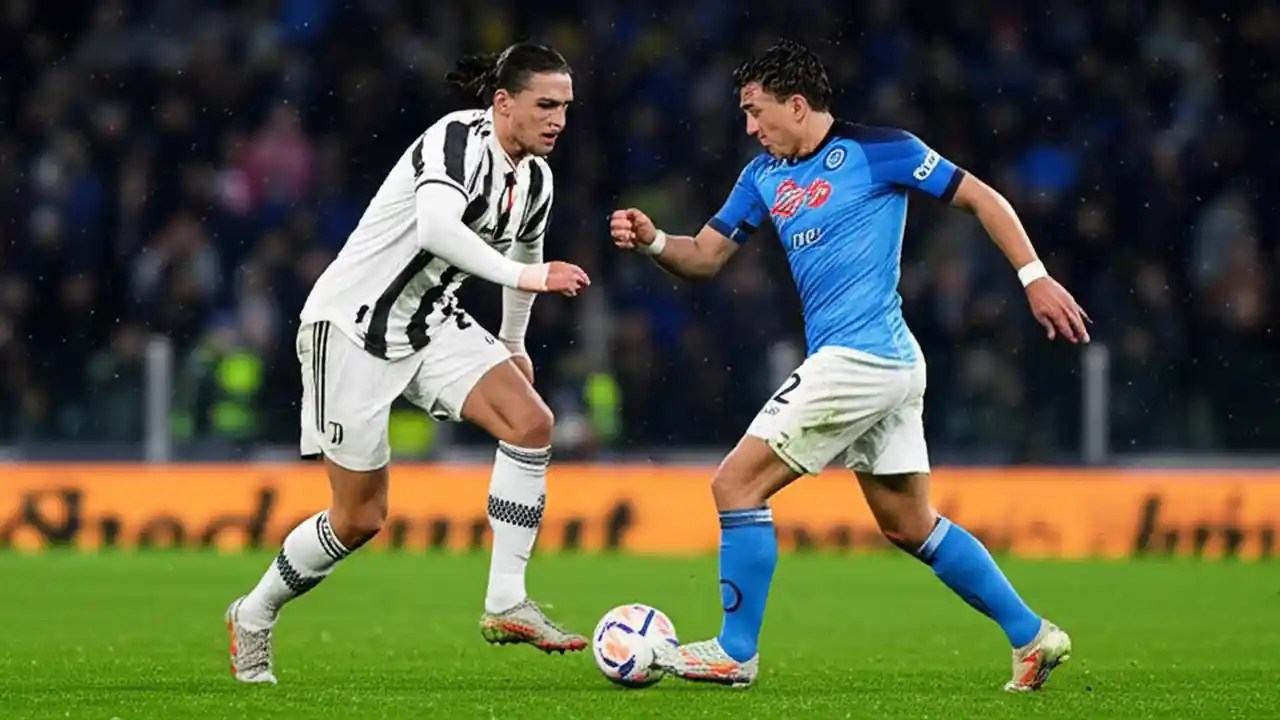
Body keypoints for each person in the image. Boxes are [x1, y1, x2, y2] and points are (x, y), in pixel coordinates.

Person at [608, 39, 1089, 691]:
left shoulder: (880, 151)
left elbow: (983, 198)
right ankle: (1033, 636)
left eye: (756, 112)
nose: (749, 128)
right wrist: (655, 239)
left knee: (734, 485)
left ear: (797, 104)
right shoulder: (762, 177)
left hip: (861, 357)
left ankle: (735, 651)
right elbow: (704, 256)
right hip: (883, 363)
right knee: (908, 524)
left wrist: (1034, 277)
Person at [226, 41, 592, 684]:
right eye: (545, 104)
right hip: (352, 327)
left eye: (565, 106)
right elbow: (436, 230)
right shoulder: (456, 140)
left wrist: (512, 343)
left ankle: (507, 600)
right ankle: (253, 614)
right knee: (360, 518)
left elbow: (528, 248)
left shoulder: (536, 177)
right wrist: (527, 276)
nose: (558, 118)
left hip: (430, 321)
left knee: (532, 423)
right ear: (503, 103)